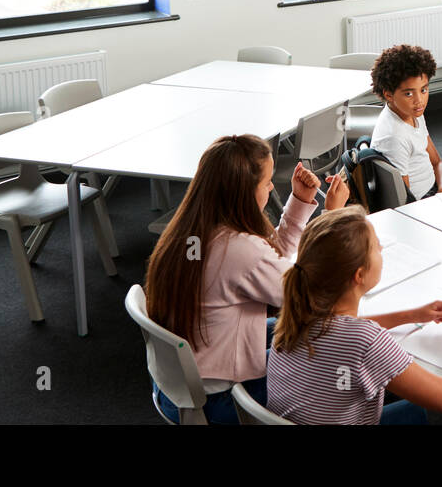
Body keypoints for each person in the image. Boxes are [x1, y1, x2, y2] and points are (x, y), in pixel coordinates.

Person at [143, 133, 348, 424]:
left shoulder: (192, 227)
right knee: (330, 365)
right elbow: (310, 293)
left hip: (178, 385)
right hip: (216, 401)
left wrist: (301, 201)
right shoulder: (238, 249)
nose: (269, 189)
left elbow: (269, 260)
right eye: (267, 183)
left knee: (293, 331)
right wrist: (332, 216)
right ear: (244, 192)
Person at [267, 206, 442, 424]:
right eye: (375, 246)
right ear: (359, 275)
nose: (381, 247)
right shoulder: (365, 340)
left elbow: (342, 331)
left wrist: (412, 315)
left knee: (410, 404)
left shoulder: (298, 313)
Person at [369, 44, 442, 200]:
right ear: (388, 95)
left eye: (423, 90)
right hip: (420, 201)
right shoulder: (394, 137)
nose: (419, 101)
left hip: (437, 190)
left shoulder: (413, 112)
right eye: (408, 93)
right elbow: (403, 200)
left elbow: (437, 162)